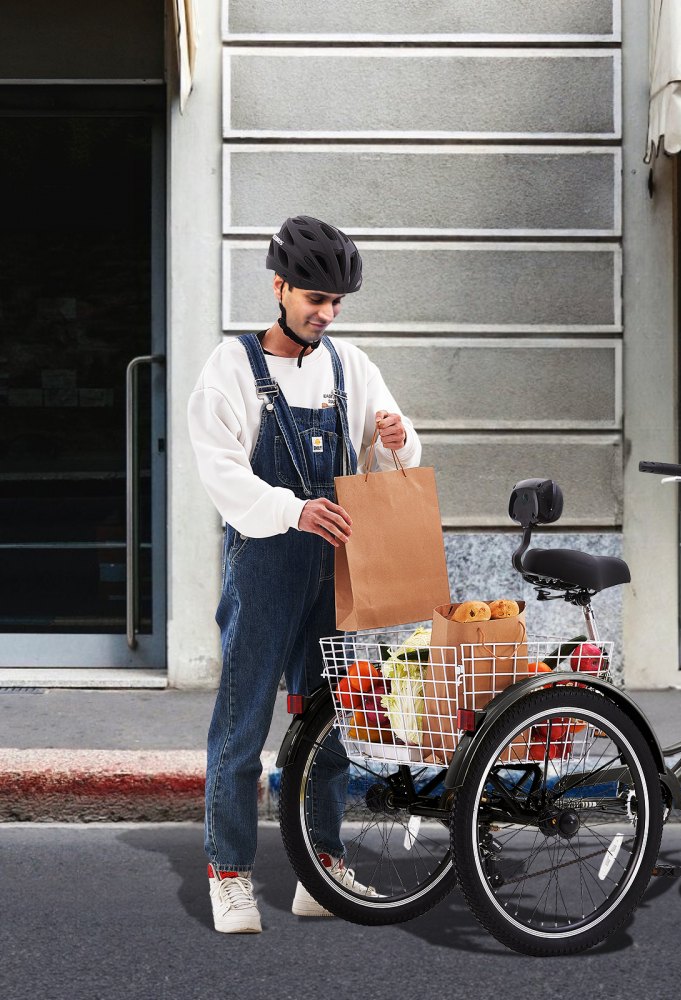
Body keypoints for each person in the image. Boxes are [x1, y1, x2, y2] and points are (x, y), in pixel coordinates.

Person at [187, 215, 420, 933]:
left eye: (337, 304)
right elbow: (221, 474)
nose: (327, 314)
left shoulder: (350, 366)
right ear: (280, 286)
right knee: (242, 723)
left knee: (332, 726)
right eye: (316, 298)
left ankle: (322, 868)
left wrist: (397, 439)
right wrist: (292, 512)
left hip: (340, 570)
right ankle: (229, 872)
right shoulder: (228, 370)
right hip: (266, 565)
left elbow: (395, 463)